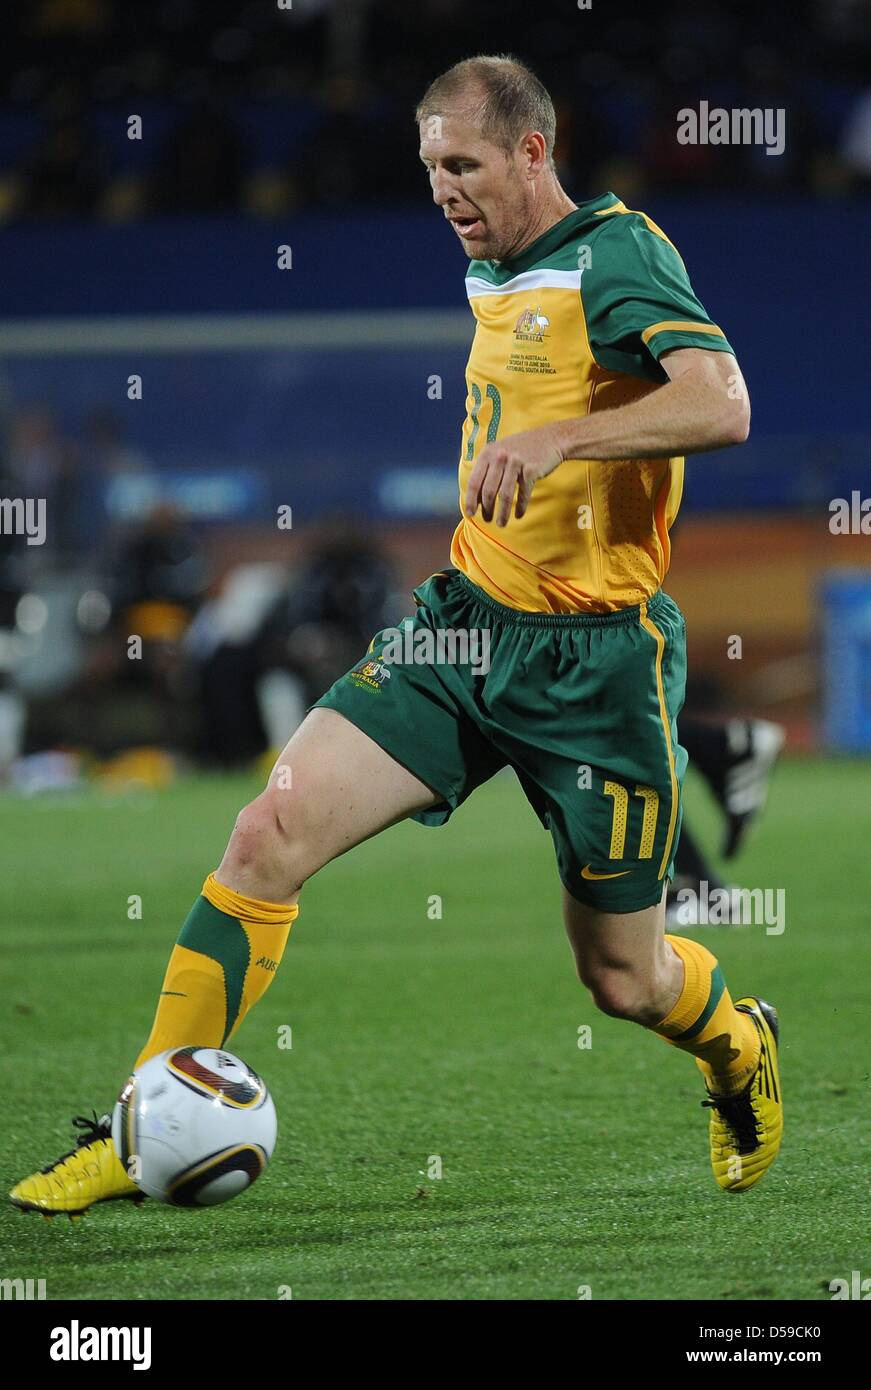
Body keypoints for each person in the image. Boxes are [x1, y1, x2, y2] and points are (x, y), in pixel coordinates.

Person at [11, 53, 781, 1218]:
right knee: (266, 833)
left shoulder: (618, 254)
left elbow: (721, 402)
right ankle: (141, 1116)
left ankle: (738, 1048)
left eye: (463, 163)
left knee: (625, 978)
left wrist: (562, 437)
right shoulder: (497, 261)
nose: (442, 190)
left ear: (534, 150)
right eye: (429, 169)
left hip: (598, 668)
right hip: (464, 631)